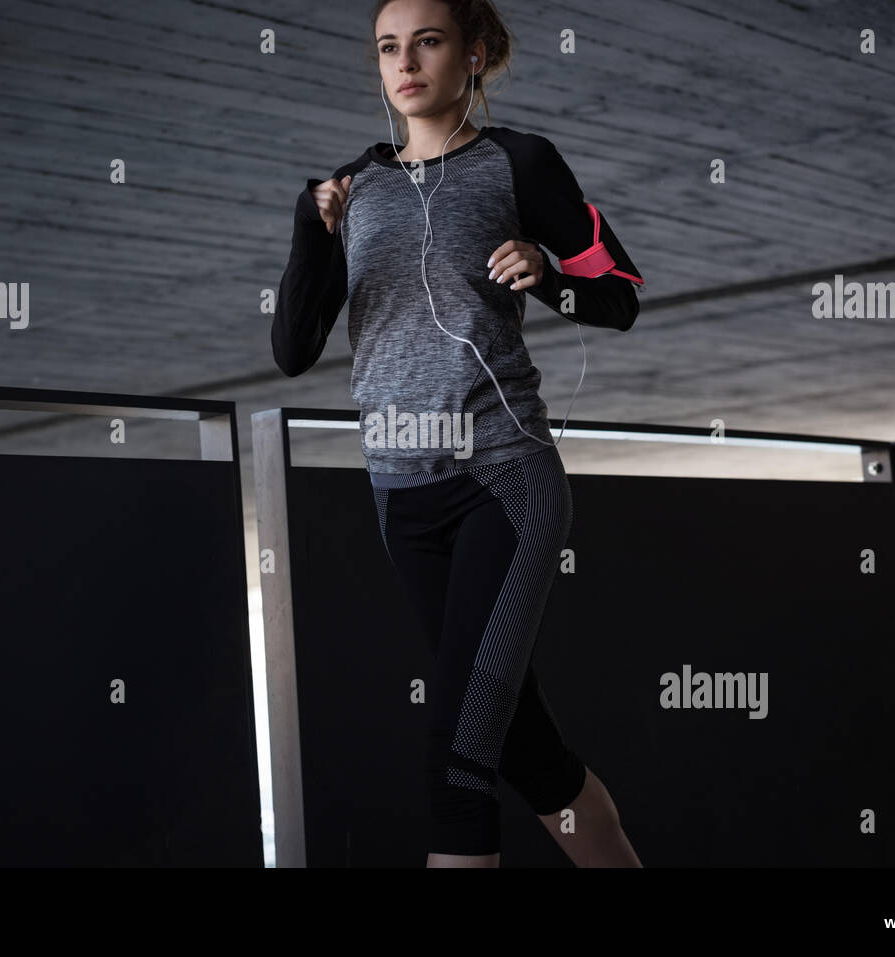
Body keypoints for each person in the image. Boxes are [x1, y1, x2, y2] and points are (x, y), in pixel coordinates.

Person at [272, 0, 643, 868]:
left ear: (472, 54)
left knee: (457, 755)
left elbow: (620, 294)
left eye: (428, 42)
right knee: (524, 747)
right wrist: (306, 229)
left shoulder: (521, 161)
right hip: (401, 494)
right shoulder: (349, 189)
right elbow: (293, 351)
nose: (405, 63)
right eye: (388, 47)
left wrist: (549, 275)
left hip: (505, 479)